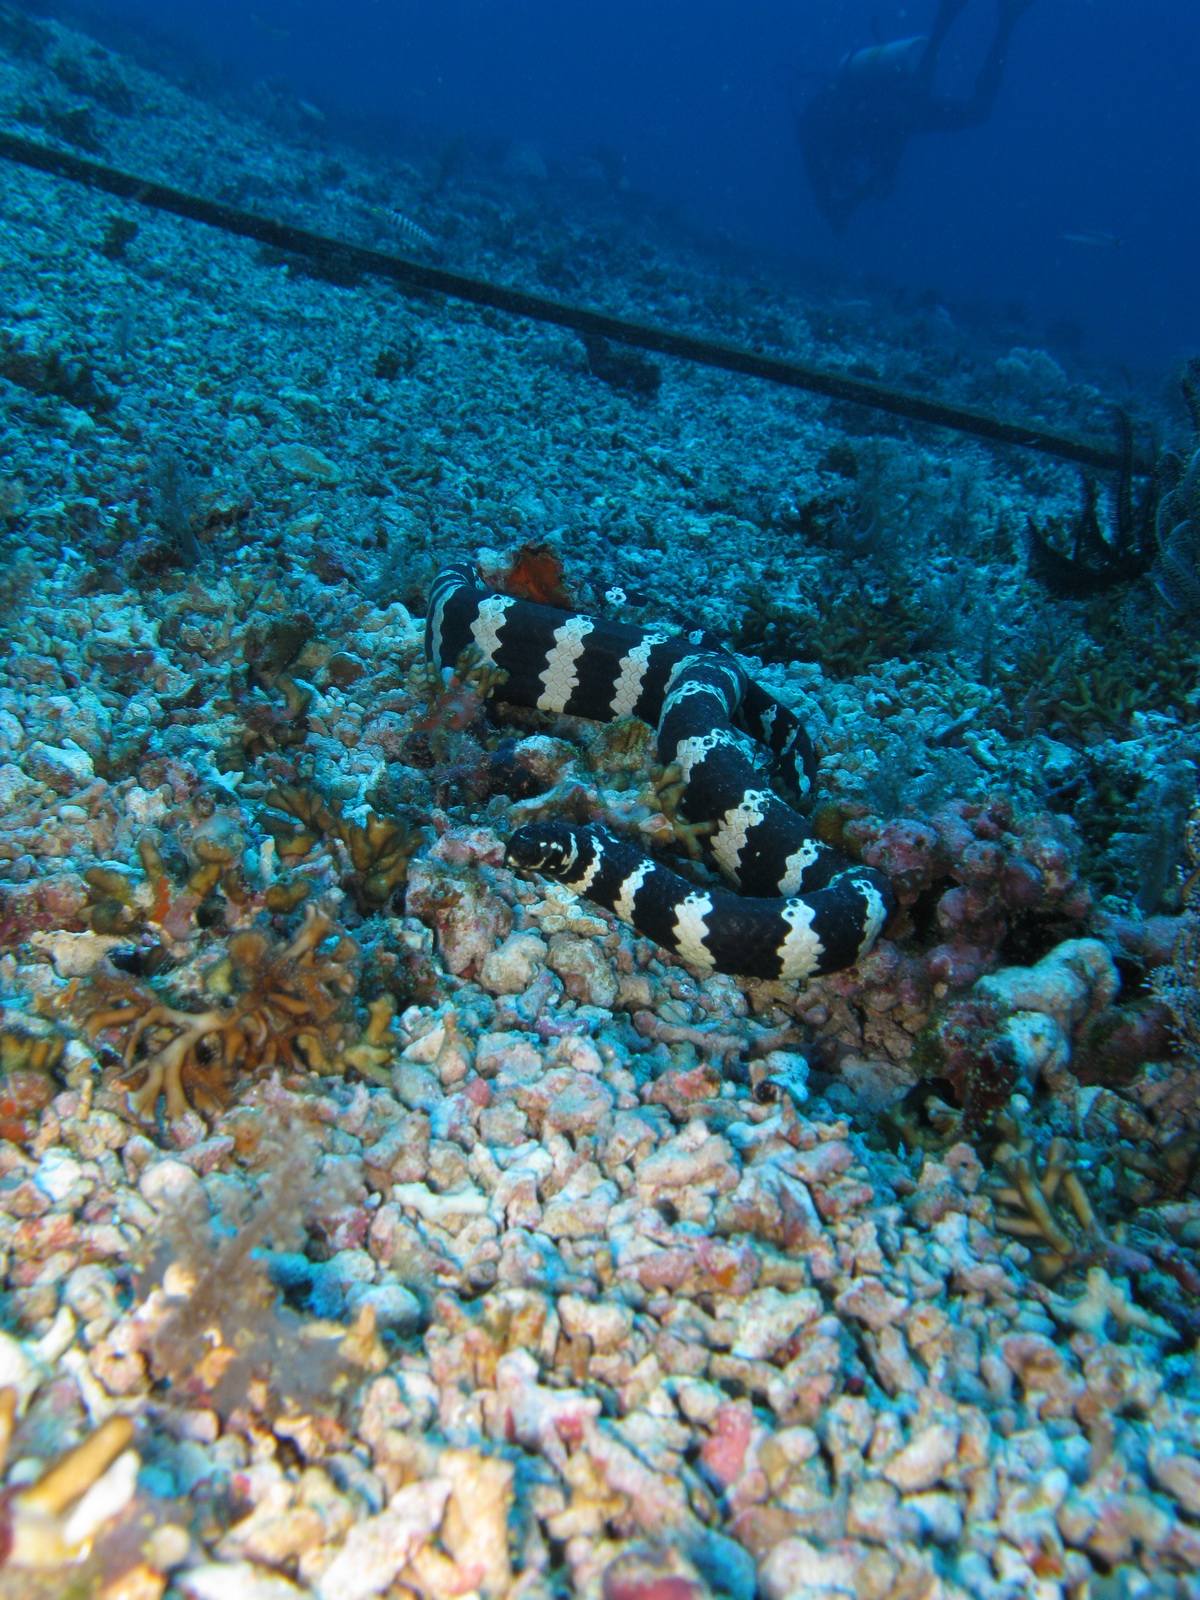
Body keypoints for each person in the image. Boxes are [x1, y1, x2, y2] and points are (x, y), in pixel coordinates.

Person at [795, 0, 1039, 231]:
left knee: (912, 106)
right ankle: (1007, 19)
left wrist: (843, 207)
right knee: (978, 112)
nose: (847, 174)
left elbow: (830, 192)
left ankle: (952, 15)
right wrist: (852, 201)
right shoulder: (830, 141)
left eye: (841, 174)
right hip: (895, 109)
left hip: (888, 109)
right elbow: (885, 162)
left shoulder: (813, 137)